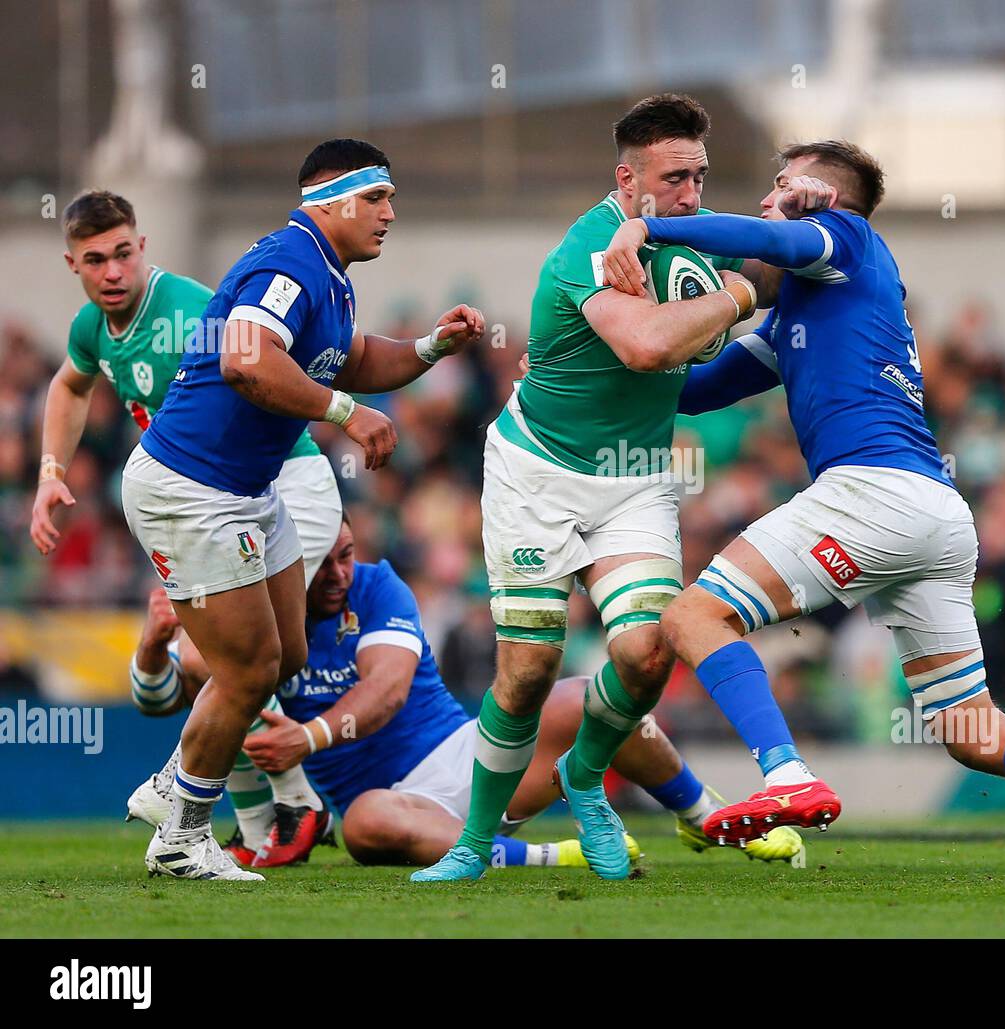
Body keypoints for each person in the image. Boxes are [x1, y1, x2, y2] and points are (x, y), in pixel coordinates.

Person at [599, 140, 1005, 878]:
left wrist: (648, 228)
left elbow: (766, 237)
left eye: (778, 184)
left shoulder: (847, 239)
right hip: (933, 515)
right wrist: (597, 363)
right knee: (972, 729)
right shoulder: (805, 302)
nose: (764, 198)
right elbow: (692, 392)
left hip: (871, 494)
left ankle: (788, 778)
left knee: (691, 616)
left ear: (818, 195)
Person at [414, 95, 771, 883]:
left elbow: (781, 260)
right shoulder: (590, 247)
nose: (691, 193)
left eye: (700, 176)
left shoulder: (693, 238)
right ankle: (473, 842)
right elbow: (646, 347)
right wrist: (749, 295)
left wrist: (806, 225)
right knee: (530, 669)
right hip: (535, 472)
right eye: (674, 177)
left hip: (632, 477)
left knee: (647, 652)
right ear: (627, 178)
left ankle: (584, 775)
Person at [119, 137, 484, 881]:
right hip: (192, 488)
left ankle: (172, 785)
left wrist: (427, 347)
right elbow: (247, 359)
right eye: (376, 198)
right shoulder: (289, 260)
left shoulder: (328, 273)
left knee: (282, 655)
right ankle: (183, 830)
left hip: (245, 490)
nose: (390, 212)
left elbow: (348, 358)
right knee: (250, 669)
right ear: (333, 200)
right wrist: (348, 413)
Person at [131, 515, 804, 868]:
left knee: (605, 699)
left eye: (345, 552)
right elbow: (171, 696)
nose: (340, 572)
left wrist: (307, 737)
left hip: (469, 755)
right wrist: (155, 646)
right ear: (286, 564)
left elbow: (388, 689)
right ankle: (550, 856)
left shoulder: (376, 584)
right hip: (393, 803)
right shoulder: (259, 615)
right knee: (366, 822)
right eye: (322, 562)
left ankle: (707, 818)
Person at [33, 189, 338, 865]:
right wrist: (52, 470)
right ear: (72, 264)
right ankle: (264, 821)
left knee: (215, 662)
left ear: (142, 248)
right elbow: (69, 386)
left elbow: (262, 363)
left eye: (121, 254)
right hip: (211, 498)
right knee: (263, 660)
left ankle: (182, 790)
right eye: (94, 260)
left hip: (283, 481)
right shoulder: (92, 328)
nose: (112, 272)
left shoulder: (190, 307)